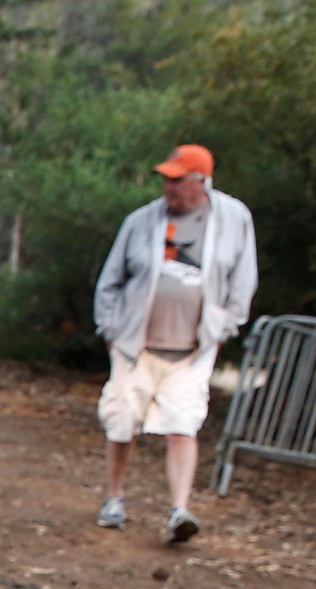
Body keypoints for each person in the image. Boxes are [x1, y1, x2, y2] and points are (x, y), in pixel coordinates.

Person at [93, 143, 257, 544]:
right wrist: (111, 332)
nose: (169, 187)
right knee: (122, 422)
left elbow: (243, 278)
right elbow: (110, 280)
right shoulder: (141, 221)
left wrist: (224, 328)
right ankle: (115, 497)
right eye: (165, 179)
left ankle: (179, 510)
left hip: (193, 350)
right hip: (136, 345)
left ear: (201, 181)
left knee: (183, 425)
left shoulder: (234, 219)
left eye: (177, 180)